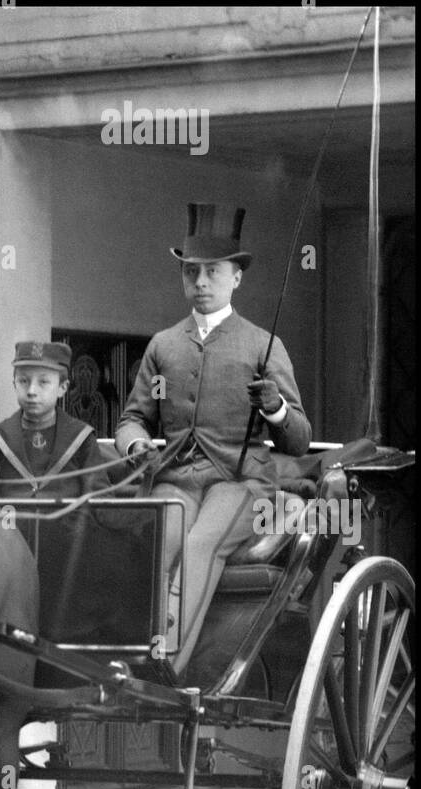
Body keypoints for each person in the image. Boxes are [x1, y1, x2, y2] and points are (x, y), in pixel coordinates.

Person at [115, 204, 340, 673]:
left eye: (212, 272)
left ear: (236, 278)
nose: (200, 282)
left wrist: (276, 407)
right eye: (190, 272)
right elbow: (132, 419)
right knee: (158, 540)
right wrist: (136, 444)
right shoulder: (163, 346)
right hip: (176, 478)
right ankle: (134, 655)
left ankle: (168, 666)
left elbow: (299, 441)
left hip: (242, 485)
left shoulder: (263, 345)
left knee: (202, 544)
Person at [0, 340, 106, 497]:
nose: (31, 391)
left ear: (62, 387)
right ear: (14, 384)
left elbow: (99, 502)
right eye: (23, 381)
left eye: (43, 382)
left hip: (68, 521)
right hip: (8, 521)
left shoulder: (81, 438)